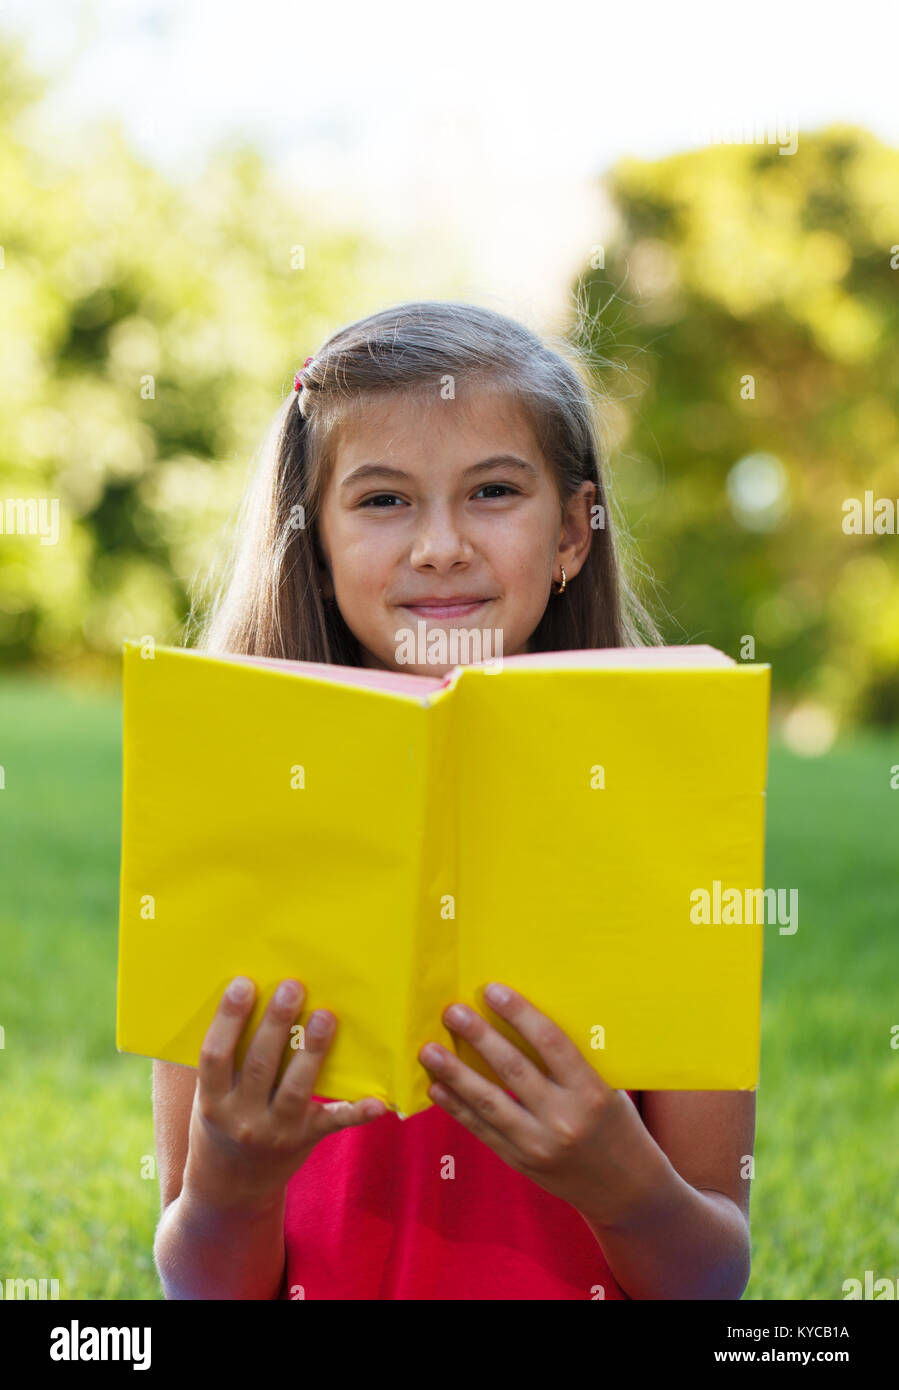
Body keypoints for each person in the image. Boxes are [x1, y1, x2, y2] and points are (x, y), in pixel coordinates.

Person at [152, 300, 755, 1299]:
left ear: (569, 531)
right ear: (314, 540)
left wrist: (620, 1184)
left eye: (491, 491)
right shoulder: (235, 799)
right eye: (383, 500)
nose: (439, 544)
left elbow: (710, 1281)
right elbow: (195, 1284)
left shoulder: (666, 799)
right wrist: (234, 1186)